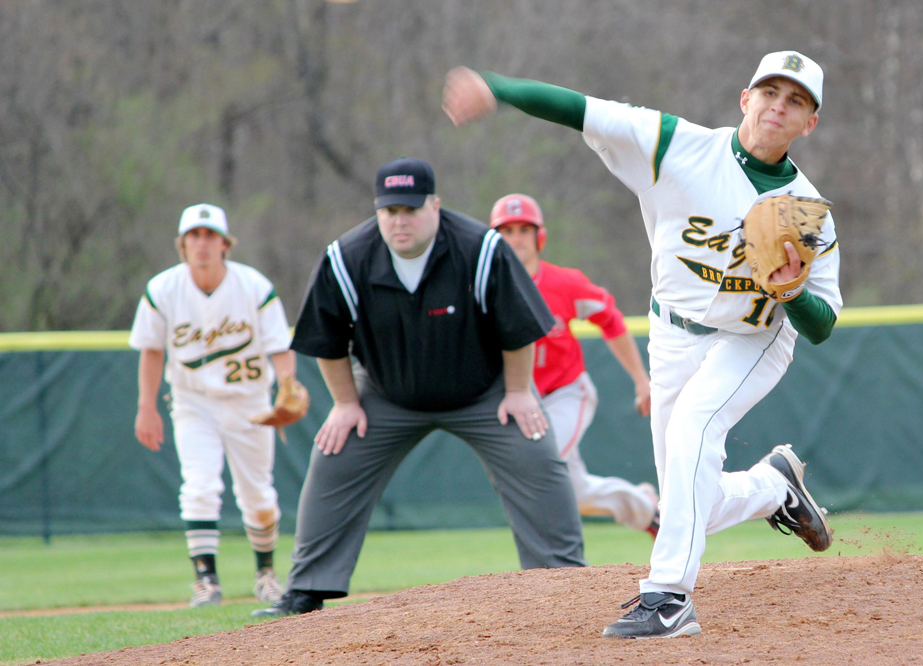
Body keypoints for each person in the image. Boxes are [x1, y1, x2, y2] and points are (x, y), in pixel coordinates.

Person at [443, 50, 841, 639]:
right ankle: (772, 487)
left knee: (692, 430)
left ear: (809, 123)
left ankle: (668, 598)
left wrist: (792, 293)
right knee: (690, 494)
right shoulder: (675, 145)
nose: (778, 108)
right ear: (745, 99)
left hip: (754, 338)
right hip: (672, 333)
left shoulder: (806, 211)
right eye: (770, 93)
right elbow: (580, 110)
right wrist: (496, 88)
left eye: (796, 102)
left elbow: (822, 323)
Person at [253, 157, 587, 618]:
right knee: (333, 454)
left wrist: (518, 392)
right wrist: (346, 403)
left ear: (435, 205)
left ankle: (567, 584)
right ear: (377, 211)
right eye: (390, 211)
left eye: (410, 209)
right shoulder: (346, 257)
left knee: (538, 453)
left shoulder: (481, 248)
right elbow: (326, 340)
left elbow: (518, 327)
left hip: (485, 391)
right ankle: (306, 589)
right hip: (388, 393)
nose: (400, 220)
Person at [130, 203, 295, 608]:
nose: (202, 243)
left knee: (258, 495)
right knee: (200, 487)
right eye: (194, 236)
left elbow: (279, 346)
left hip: (250, 402)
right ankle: (206, 580)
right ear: (182, 245)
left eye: (210, 236)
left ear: (225, 244)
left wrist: (287, 387)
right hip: (193, 402)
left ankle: (266, 574)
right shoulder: (163, 289)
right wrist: (146, 407)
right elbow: (151, 351)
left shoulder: (253, 285)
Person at [489, 193, 660, 537]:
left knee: (541, 457)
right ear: (494, 240)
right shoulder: (484, 287)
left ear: (540, 236)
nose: (517, 237)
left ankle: (551, 556)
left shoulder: (564, 284)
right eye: (507, 231)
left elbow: (610, 320)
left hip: (567, 392)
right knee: (577, 492)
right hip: (522, 399)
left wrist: (642, 380)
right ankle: (644, 507)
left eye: (524, 229)